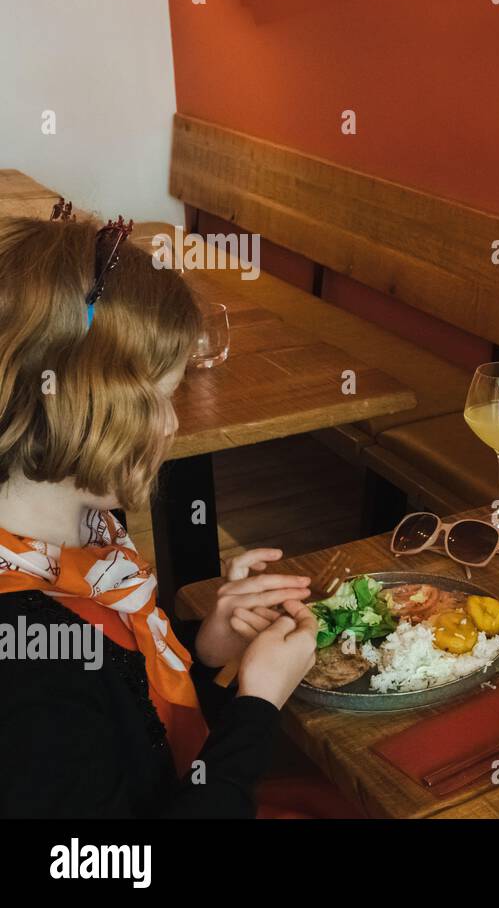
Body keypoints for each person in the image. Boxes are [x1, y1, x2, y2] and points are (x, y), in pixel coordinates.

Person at [0, 214, 318, 817]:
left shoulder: (79, 533)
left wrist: (205, 648)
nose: (174, 425)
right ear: (88, 402)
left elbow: (128, 720)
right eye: (164, 397)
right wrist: (256, 707)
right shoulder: (27, 668)